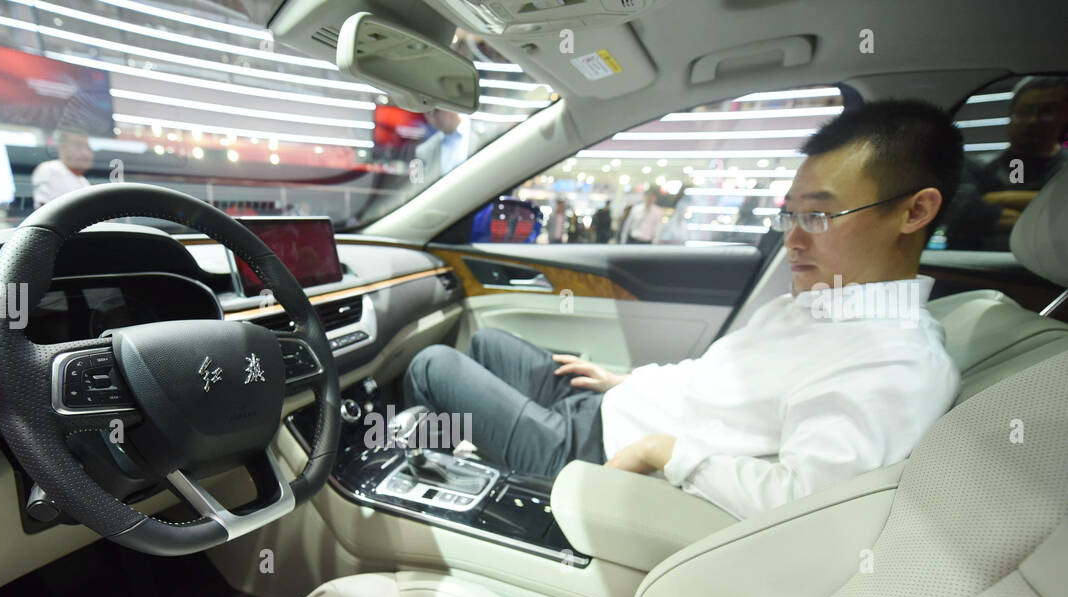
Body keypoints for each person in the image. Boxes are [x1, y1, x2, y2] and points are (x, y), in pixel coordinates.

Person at [403, 100, 964, 520]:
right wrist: (622, 381)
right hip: (617, 410)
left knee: (434, 366)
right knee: (486, 345)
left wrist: (666, 451)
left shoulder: (897, 363)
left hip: (607, 454)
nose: (793, 239)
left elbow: (805, 507)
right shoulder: (824, 302)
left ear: (914, 211)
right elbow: (715, 384)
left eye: (817, 216)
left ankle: (423, 494)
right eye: (789, 215)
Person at [945, 75, 1068, 250]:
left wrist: (995, 199)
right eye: (1024, 111)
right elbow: (963, 211)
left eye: (1047, 111)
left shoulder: (1063, 168)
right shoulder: (977, 165)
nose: (1032, 121)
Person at [32, 131, 94, 207]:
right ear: (62, 148)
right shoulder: (50, 169)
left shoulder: (83, 180)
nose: (85, 152)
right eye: (79, 146)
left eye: (87, 147)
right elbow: (44, 209)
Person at [413, 109, 477, 180]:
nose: (430, 118)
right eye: (427, 113)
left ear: (449, 107)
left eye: (435, 111)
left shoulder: (485, 133)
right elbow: (418, 185)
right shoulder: (424, 151)